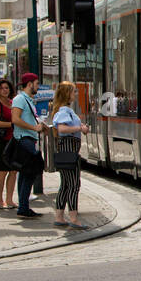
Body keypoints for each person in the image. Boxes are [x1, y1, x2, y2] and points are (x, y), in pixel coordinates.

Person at [49, 82, 85, 229]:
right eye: (73, 92)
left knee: (65, 184)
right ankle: (73, 217)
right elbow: (63, 129)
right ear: (67, 94)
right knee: (74, 184)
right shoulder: (64, 111)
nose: (75, 94)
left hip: (66, 148)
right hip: (69, 149)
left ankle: (59, 216)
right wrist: (80, 128)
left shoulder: (64, 110)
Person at [9, 71, 44, 217]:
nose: (38, 86)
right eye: (36, 84)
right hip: (24, 139)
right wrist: (34, 128)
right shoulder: (19, 99)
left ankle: (23, 206)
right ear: (29, 84)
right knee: (30, 172)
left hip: (29, 139)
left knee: (26, 174)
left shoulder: (28, 99)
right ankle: (23, 207)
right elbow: (15, 119)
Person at [0, 76, 18, 209]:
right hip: (2, 141)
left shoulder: (12, 102)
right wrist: (11, 124)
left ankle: (10, 200)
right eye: (1, 88)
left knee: (13, 171)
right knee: (3, 171)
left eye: (6, 88)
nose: (4, 90)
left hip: (13, 140)